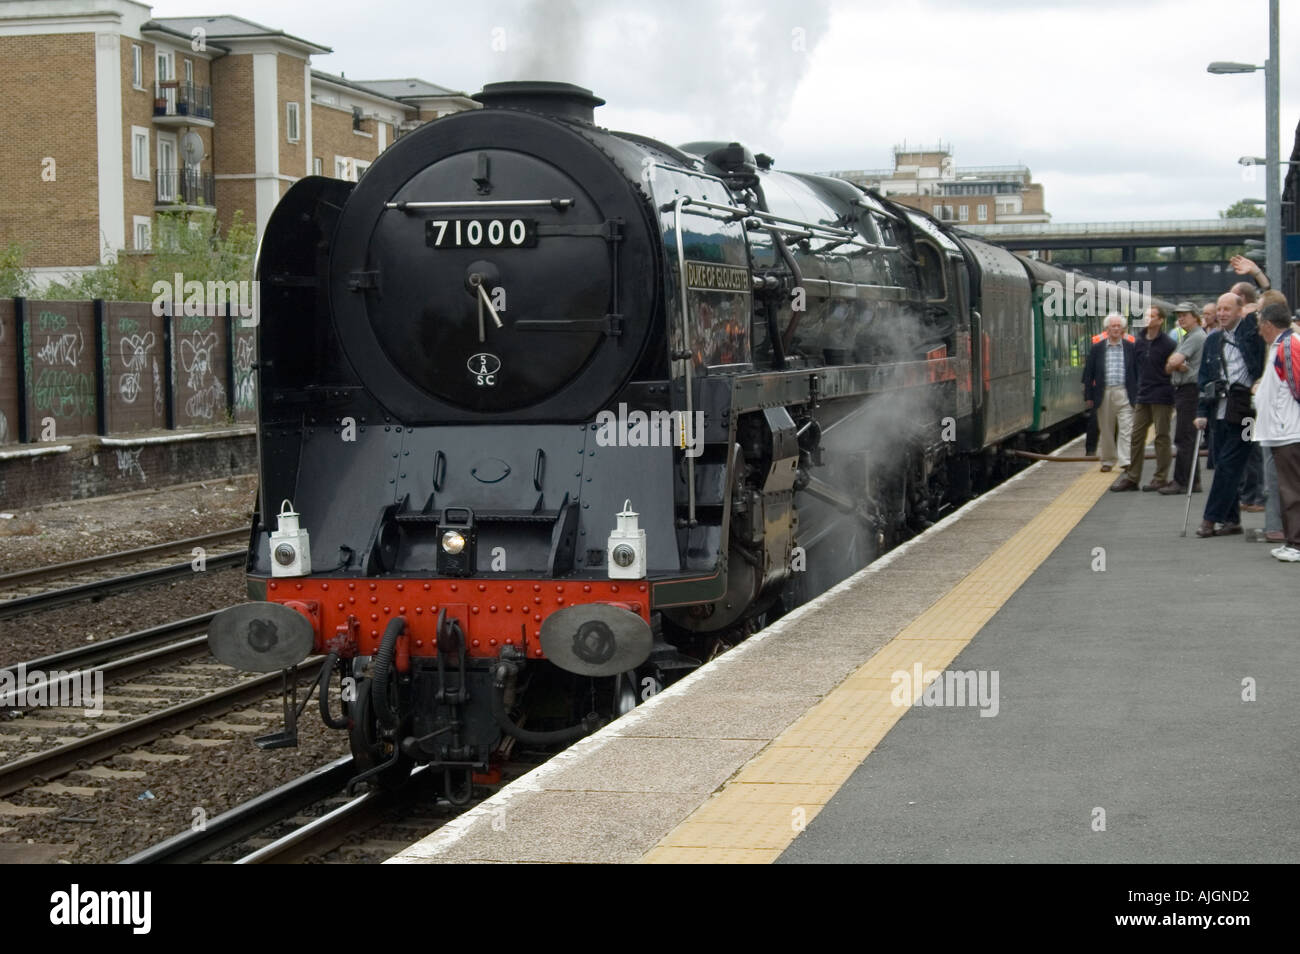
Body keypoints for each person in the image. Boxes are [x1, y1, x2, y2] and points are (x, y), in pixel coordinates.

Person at [1194, 291, 1265, 537]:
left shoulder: (1250, 335)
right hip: (1220, 411)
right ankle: (1232, 520)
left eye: (1228, 309)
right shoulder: (1212, 341)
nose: (1222, 314)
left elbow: (1263, 311)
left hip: (1247, 413)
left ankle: (1210, 519)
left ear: (1239, 311)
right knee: (1227, 466)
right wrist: (1201, 411)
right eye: (1219, 310)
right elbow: (1204, 378)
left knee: (1227, 465)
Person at [1251, 301, 1300, 560]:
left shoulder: (1288, 346)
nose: (1259, 330)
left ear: (1269, 325)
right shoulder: (1282, 346)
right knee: (1287, 489)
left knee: (1291, 490)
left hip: (1288, 431)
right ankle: (1293, 541)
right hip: (1283, 430)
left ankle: (1296, 544)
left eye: (1260, 324)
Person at [1111, 305, 1175, 491]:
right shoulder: (1138, 342)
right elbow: (1133, 369)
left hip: (1162, 395)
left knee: (1161, 437)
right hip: (1143, 395)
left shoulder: (1168, 344)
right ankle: (1132, 477)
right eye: (1147, 316)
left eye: (1153, 316)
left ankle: (1160, 477)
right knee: (1136, 436)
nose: (1148, 319)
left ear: (1160, 320)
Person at [1160, 302, 1206, 495]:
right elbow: (1170, 366)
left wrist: (1176, 364)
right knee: (1188, 436)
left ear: (1195, 316)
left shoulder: (1195, 337)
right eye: (1178, 316)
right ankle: (1192, 481)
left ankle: (1181, 481)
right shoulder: (1190, 336)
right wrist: (1176, 365)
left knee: (1183, 436)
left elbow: (1171, 362)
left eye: (1184, 315)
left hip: (1189, 391)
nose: (1180, 319)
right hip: (1188, 390)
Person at [1083, 313, 1137, 473]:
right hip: (1104, 393)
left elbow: (1137, 371)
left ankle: (1125, 461)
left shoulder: (1130, 347)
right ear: (1107, 328)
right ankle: (1107, 460)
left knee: (1126, 428)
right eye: (1113, 326)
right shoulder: (1097, 349)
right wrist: (1088, 396)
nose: (1116, 328)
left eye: (1118, 326)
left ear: (1123, 329)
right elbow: (1088, 373)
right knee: (1106, 429)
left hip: (1125, 392)